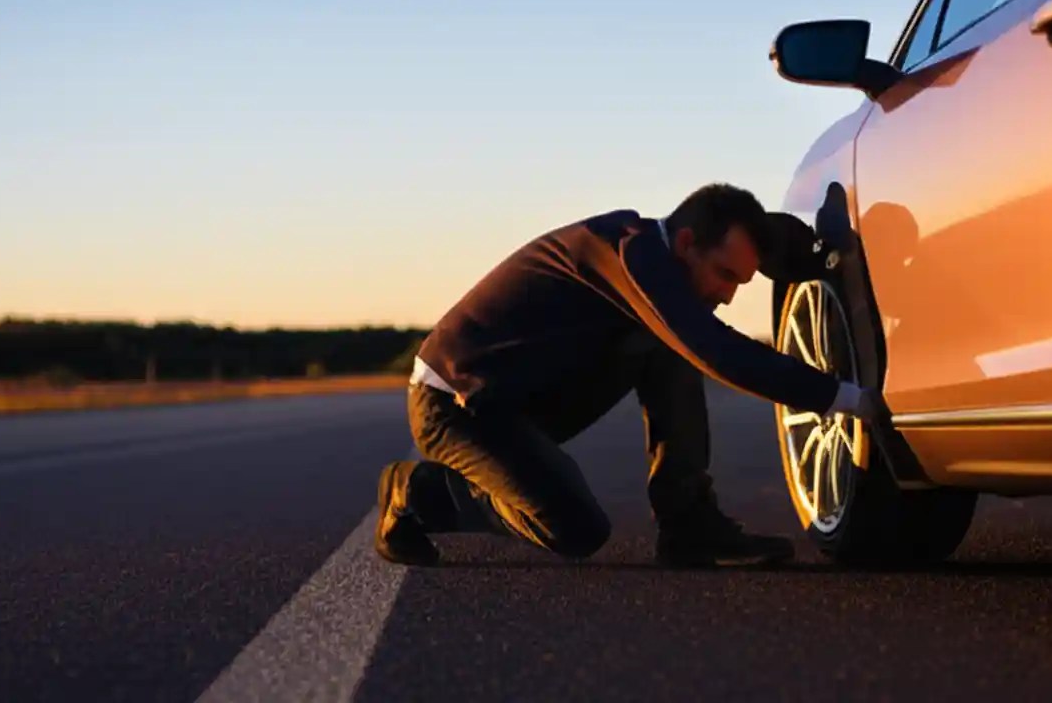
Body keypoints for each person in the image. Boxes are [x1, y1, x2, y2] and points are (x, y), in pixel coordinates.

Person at [375, 182, 886, 568]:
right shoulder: (628, 253)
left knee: (666, 344)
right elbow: (718, 350)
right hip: (456, 402)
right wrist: (847, 398)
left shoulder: (660, 262)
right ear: (686, 242)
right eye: (725, 275)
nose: (730, 294)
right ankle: (414, 490)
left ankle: (689, 527)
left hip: (528, 397)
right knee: (575, 530)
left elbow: (748, 272)